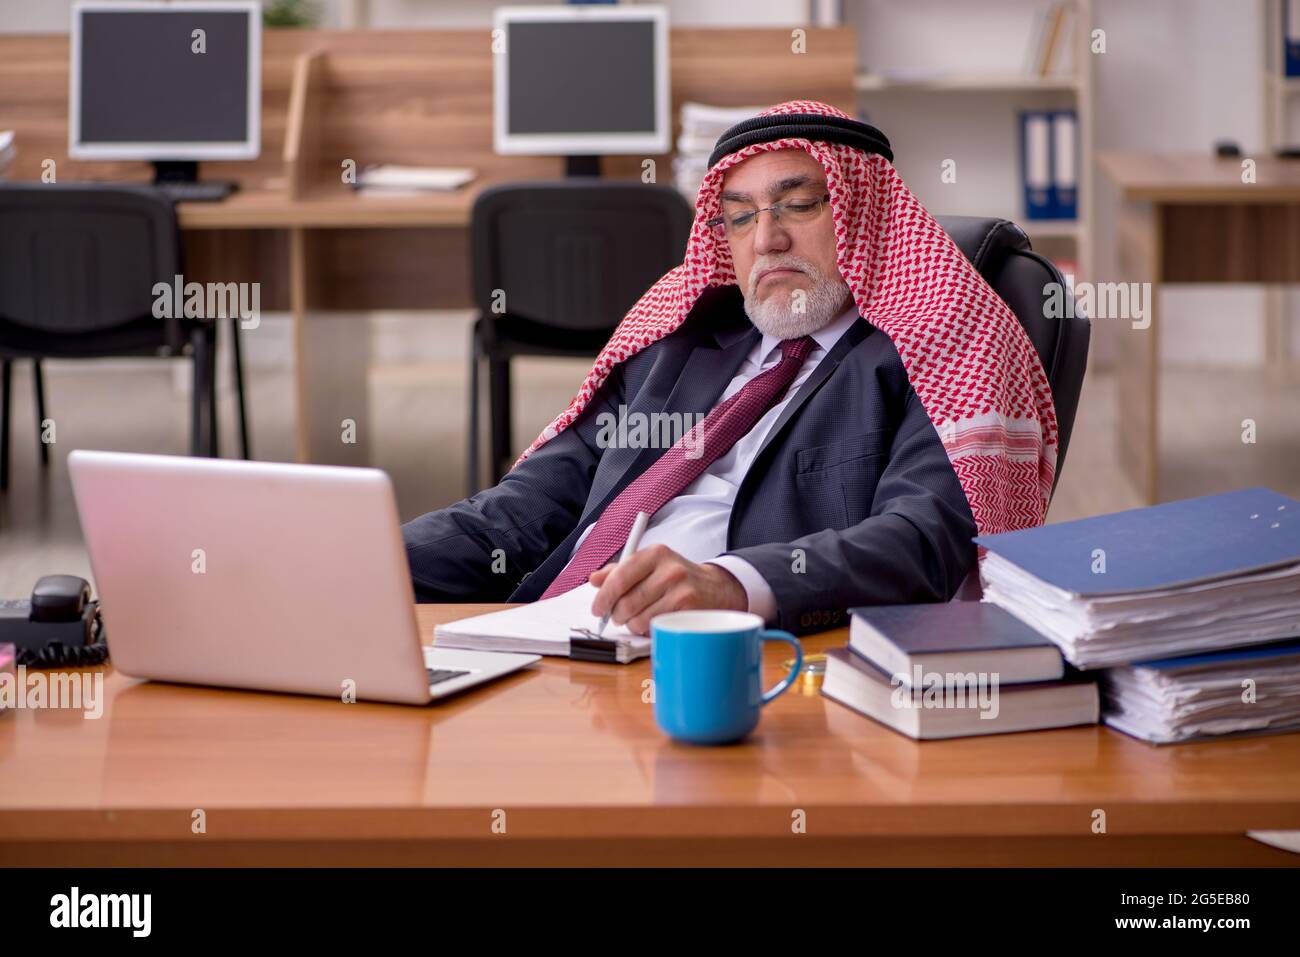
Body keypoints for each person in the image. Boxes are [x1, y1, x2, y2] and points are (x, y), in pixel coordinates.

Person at [403, 100, 1058, 637]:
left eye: (798, 205)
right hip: (549, 632)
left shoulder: (939, 349)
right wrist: (367, 557)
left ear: (865, 215)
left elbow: (923, 542)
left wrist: (733, 584)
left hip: (750, 663)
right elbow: (530, 508)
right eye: (739, 216)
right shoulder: (680, 341)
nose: (765, 238)